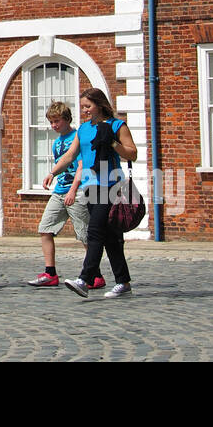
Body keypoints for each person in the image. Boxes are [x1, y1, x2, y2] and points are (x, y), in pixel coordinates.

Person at [45, 88, 138, 299]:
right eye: (83, 107)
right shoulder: (84, 130)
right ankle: (123, 282)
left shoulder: (116, 126)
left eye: (88, 106)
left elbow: (132, 153)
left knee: (94, 231)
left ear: (100, 104)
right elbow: (70, 156)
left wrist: (112, 143)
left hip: (111, 185)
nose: (85, 110)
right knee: (112, 238)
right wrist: (52, 172)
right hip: (90, 187)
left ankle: (85, 279)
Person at [27, 101, 103, 289]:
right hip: (59, 191)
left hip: (76, 193)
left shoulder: (77, 137)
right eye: (51, 122)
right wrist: (52, 174)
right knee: (45, 228)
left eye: (57, 121)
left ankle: (95, 275)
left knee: (84, 235)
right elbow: (63, 165)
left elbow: (80, 166)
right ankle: (50, 273)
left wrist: (73, 190)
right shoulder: (57, 142)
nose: (54, 125)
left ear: (67, 119)